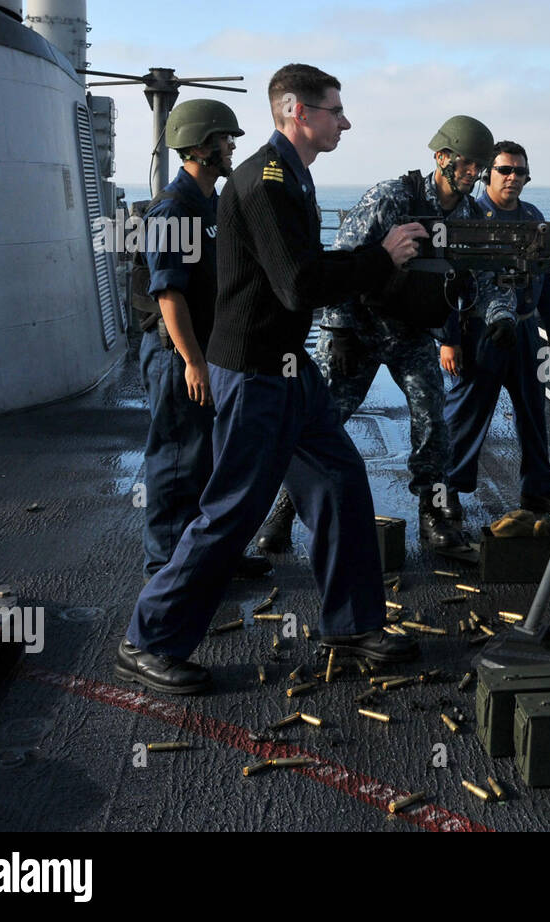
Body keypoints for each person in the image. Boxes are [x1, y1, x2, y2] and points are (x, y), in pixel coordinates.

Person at [116, 64, 422, 695]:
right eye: (335, 110)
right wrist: (380, 257)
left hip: (288, 366)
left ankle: (353, 625)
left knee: (338, 479)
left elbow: (296, 273)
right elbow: (298, 283)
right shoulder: (266, 181)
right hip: (257, 371)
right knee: (231, 511)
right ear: (297, 113)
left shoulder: (291, 176)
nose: (345, 120)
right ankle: (148, 640)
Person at [255, 116, 515, 554]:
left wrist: (500, 317)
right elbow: (339, 259)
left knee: (432, 422)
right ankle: (283, 509)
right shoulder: (392, 198)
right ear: (442, 158)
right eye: (468, 164)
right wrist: (337, 328)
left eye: (481, 166)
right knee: (321, 421)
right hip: (357, 327)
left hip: (412, 333)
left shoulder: (470, 217)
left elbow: (485, 282)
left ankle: (433, 516)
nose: (475, 174)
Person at [135, 98, 271, 584]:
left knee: (214, 459)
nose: (232, 146)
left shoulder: (212, 202)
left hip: (211, 351)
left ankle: (213, 554)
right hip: (180, 356)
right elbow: (169, 294)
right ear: (199, 146)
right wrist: (193, 362)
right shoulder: (173, 209)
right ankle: (168, 572)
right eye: (224, 138)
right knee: (178, 463)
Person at [439, 141, 550, 519]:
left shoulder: (532, 216)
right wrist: (448, 340)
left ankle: (538, 491)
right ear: (487, 173)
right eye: (505, 170)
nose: (513, 178)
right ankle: (447, 490)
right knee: (467, 414)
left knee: (534, 413)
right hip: (480, 333)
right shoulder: (469, 216)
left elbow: (547, 277)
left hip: (528, 332)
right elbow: (449, 283)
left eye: (520, 172)